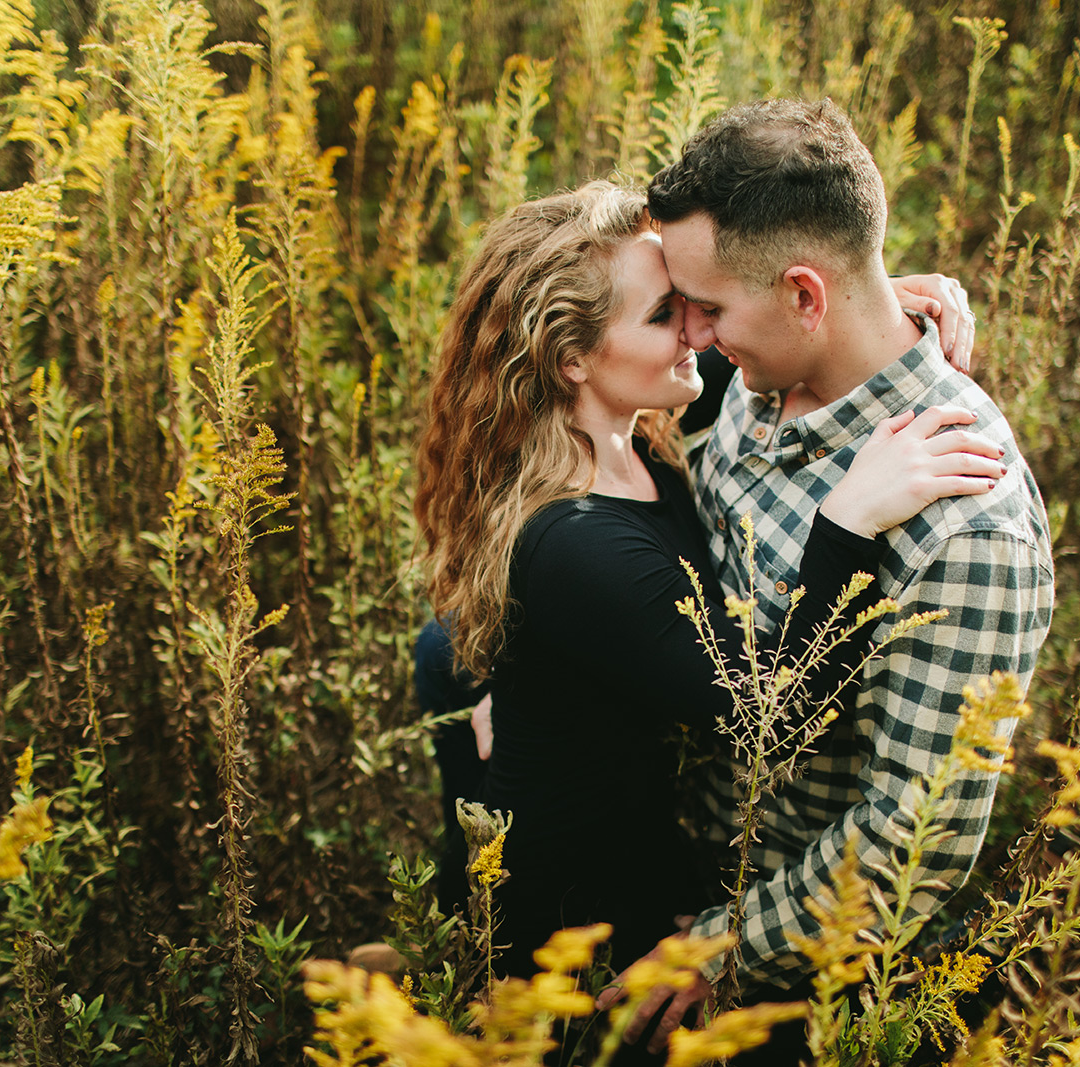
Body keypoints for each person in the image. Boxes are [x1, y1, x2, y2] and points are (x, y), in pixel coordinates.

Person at [412, 181, 1008, 1002]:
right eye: (666, 314)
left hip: (638, 838)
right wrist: (851, 519)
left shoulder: (626, 430)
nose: (698, 331)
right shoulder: (579, 539)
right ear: (572, 359)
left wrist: (864, 304)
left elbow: (789, 334)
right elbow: (770, 716)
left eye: (697, 305)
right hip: (574, 921)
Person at [603, 98, 1056, 1058]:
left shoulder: (969, 530)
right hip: (666, 851)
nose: (692, 334)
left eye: (709, 308)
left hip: (780, 975)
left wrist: (722, 947)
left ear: (807, 296)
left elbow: (910, 838)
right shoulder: (766, 367)